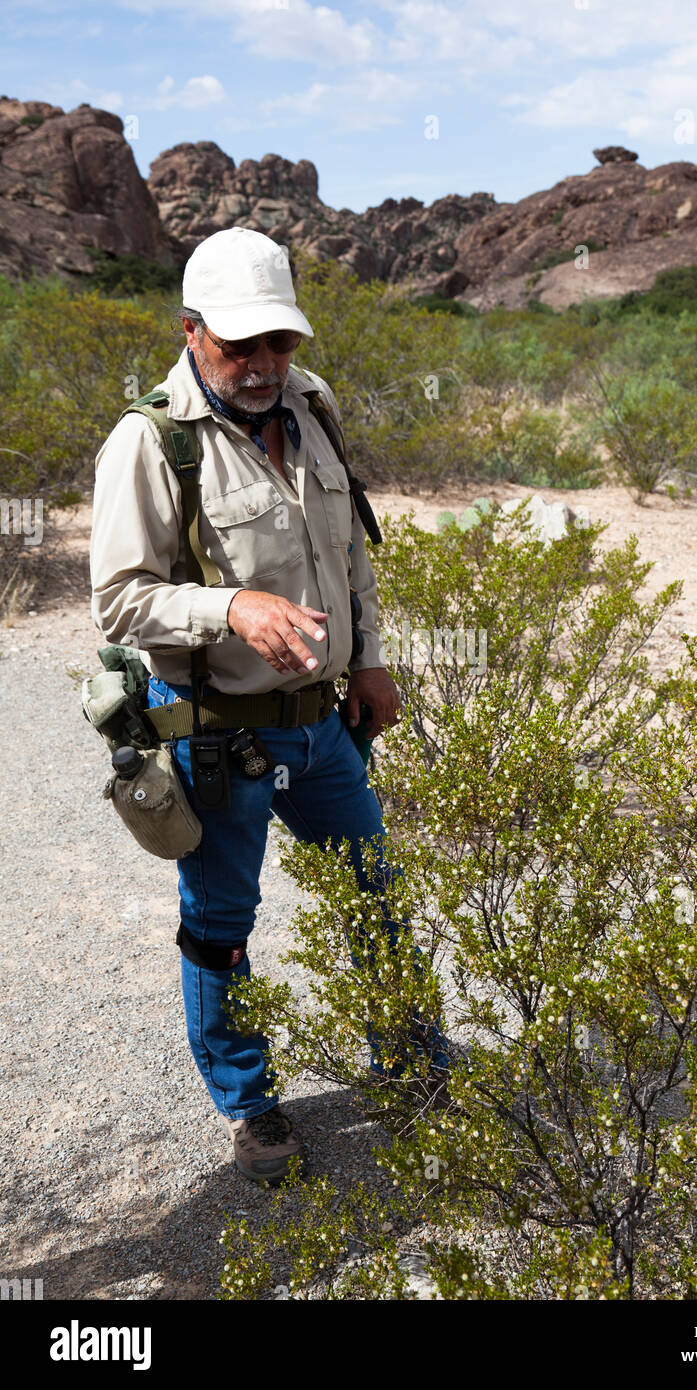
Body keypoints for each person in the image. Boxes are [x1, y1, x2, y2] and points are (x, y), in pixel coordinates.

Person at [90, 227, 448, 1185]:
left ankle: (410, 1058)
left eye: (278, 343)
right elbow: (119, 597)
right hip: (214, 737)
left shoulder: (313, 405)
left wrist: (368, 660)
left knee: (374, 896)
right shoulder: (150, 440)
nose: (260, 366)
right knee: (220, 924)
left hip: (323, 725)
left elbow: (352, 550)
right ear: (191, 330)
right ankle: (251, 1108)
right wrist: (230, 606)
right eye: (239, 345)